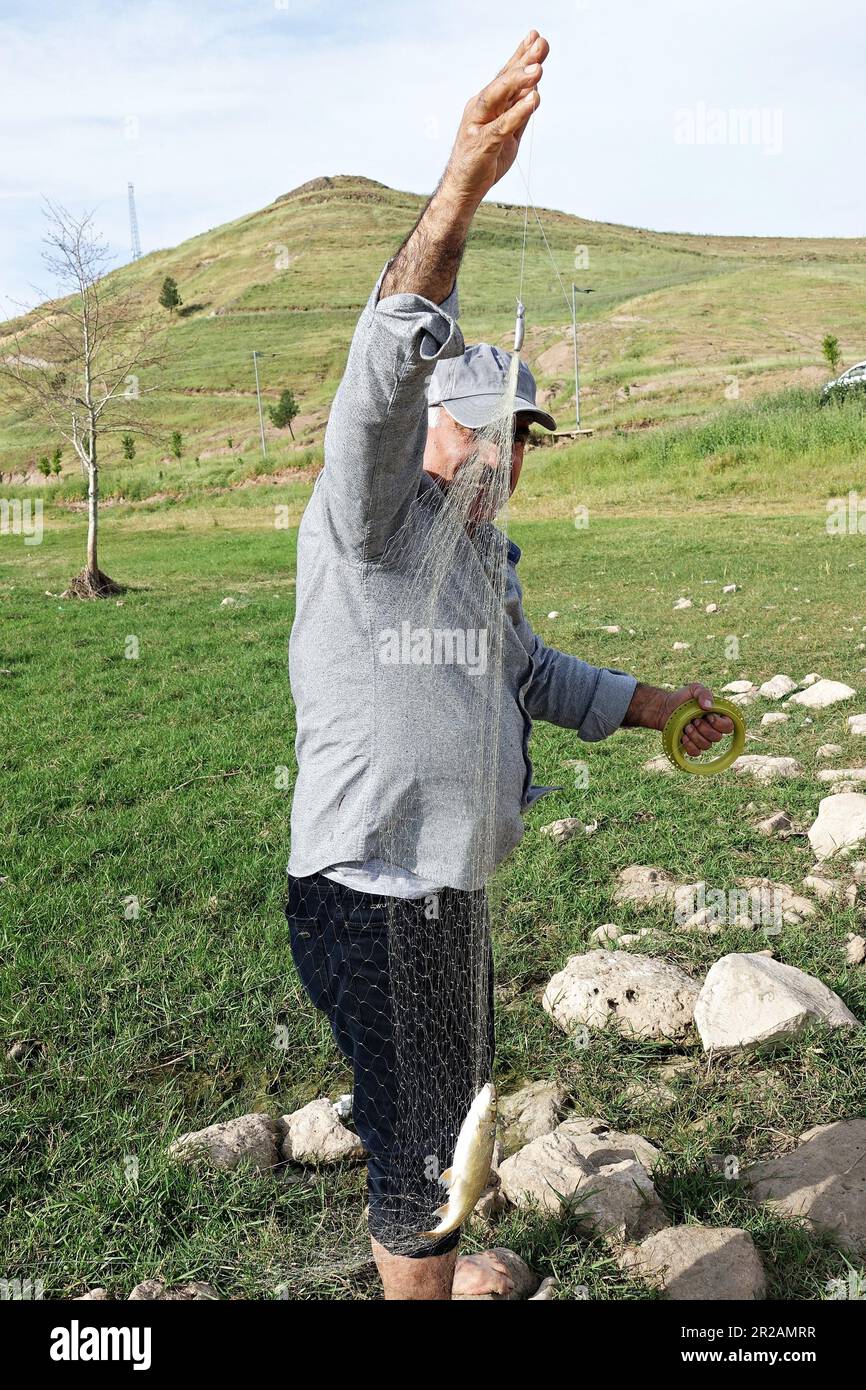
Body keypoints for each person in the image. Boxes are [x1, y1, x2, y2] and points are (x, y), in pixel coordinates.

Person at [285, 30, 734, 1300]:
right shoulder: (370, 524)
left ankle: (442, 1240)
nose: (507, 459)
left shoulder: (483, 563)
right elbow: (373, 386)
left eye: (523, 439)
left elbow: (529, 674)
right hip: (372, 888)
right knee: (422, 1133)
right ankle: (422, 1276)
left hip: (445, 884)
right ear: (431, 430)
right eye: (483, 433)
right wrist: (460, 192)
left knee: (447, 1092)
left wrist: (655, 706)